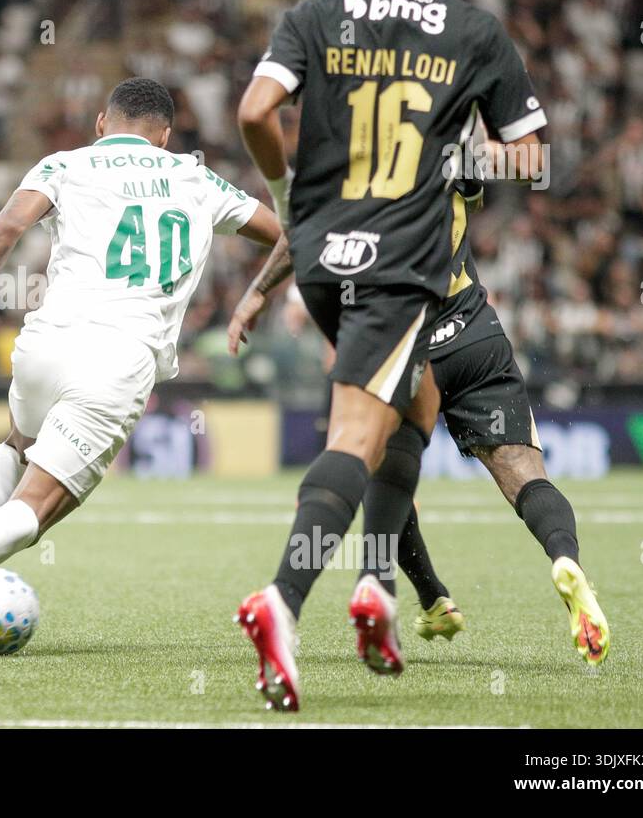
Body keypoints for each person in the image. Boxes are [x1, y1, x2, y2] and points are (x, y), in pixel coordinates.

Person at [232, 0, 557, 712]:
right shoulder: (475, 32)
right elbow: (531, 154)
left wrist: (285, 195)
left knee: (404, 413)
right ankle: (287, 600)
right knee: (353, 437)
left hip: (321, 260)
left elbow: (256, 112)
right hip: (400, 266)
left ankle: (379, 589)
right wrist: (453, 159)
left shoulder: (314, 14)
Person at [0, 77, 282, 662]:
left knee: (15, 448)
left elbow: (4, 227)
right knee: (34, 509)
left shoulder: (66, 165)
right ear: (165, 136)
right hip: (117, 360)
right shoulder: (196, 177)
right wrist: (261, 293)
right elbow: (286, 235)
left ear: (102, 124)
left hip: (44, 344)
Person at [228, 140, 610, 665]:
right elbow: (526, 160)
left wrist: (259, 292)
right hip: (475, 333)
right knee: (525, 472)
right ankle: (560, 561)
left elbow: (303, 236)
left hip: (404, 338)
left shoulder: (357, 157)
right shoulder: (454, 150)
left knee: (377, 463)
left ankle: (371, 583)